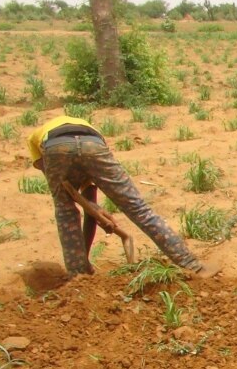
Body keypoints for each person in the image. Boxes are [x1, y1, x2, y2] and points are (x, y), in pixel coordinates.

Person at [27, 115, 217, 279]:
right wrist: (95, 210)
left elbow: (70, 187)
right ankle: (192, 265)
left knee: (65, 212)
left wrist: (96, 211)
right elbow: (85, 189)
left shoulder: (34, 140)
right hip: (93, 143)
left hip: (55, 146)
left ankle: (78, 277)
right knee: (138, 208)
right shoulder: (88, 130)